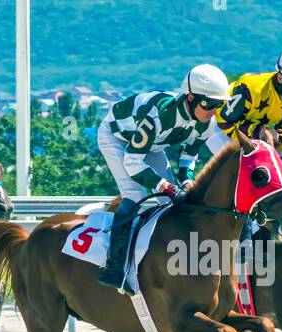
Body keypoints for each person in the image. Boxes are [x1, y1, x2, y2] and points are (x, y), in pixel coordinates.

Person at [96, 64, 231, 294]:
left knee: (169, 203)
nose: (213, 111)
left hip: (152, 145)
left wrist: (186, 182)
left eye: (219, 104)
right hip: (117, 139)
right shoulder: (160, 115)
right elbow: (133, 162)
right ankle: (115, 269)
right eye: (209, 104)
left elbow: (189, 156)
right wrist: (166, 186)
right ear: (190, 98)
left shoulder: (206, 122)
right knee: (136, 195)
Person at [213, 46, 282, 160]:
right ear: (280, 78)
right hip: (222, 127)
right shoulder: (250, 88)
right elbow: (225, 122)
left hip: (257, 134)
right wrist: (258, 131)